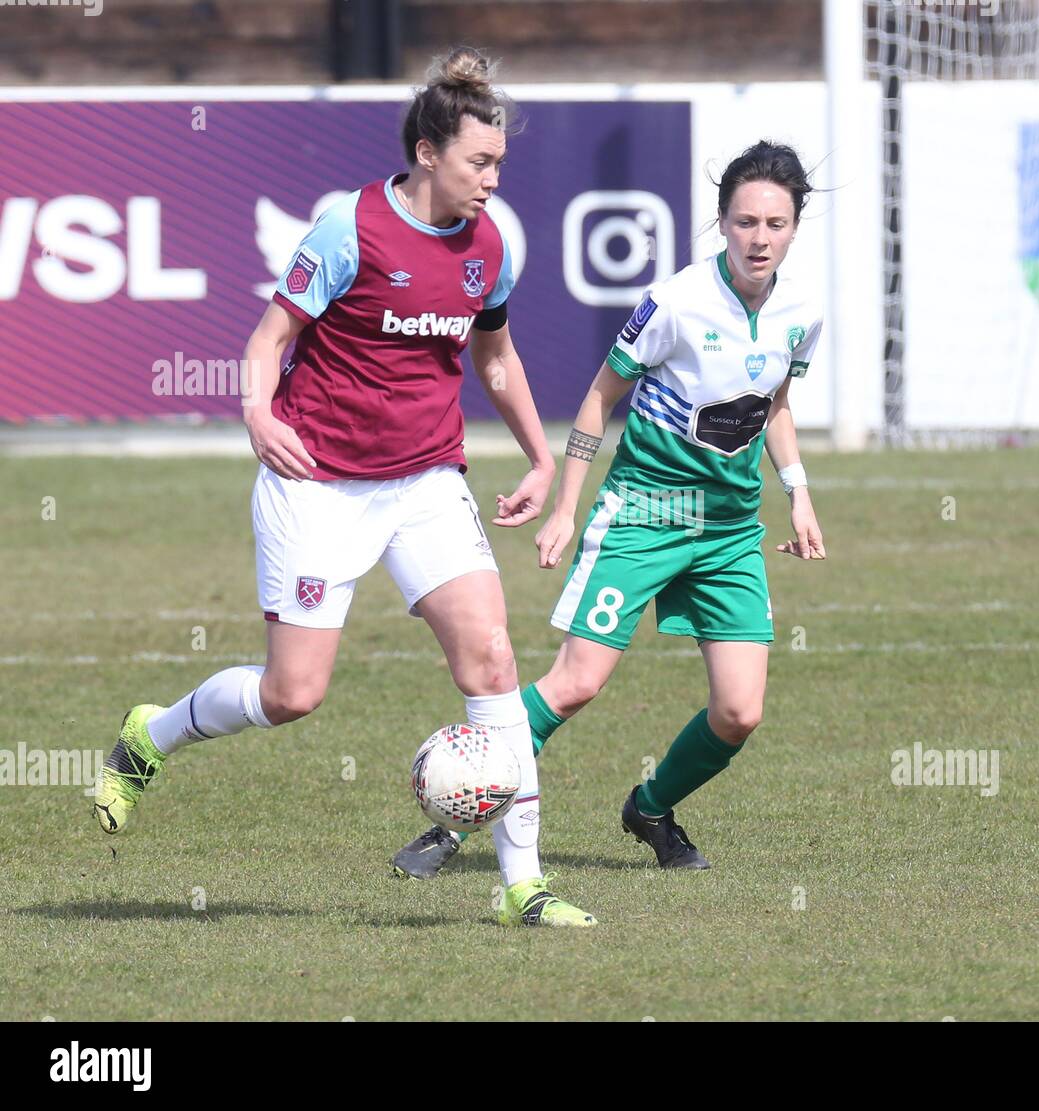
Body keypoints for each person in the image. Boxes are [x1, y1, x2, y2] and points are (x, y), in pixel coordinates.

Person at [95, 47, 595, 927]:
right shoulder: (348, 228)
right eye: (479, 161)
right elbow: (265, 341)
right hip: (319, 482)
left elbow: (494, 353)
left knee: (494, 661)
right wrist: (259, 417)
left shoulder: (490, 244)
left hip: (427, 480)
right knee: (294, 695)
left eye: (500, 164)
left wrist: (543, 454)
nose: (491, 179)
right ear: (429, 151)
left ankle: (524, 884)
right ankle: (151, 734)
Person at [392, 140, 825, 878]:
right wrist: (567, 506)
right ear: (722, 223)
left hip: (727, 529)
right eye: (746, 221)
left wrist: (799, 491)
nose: (760, 237)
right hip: (645, 513)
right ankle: (455, 823)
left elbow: (775, 402)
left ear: (793, 228)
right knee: (576, 682)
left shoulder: (802, 313)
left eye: (776, 223)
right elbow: (598, 397)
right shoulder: (676, 303)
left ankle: (650, 806)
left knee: (739, 712)